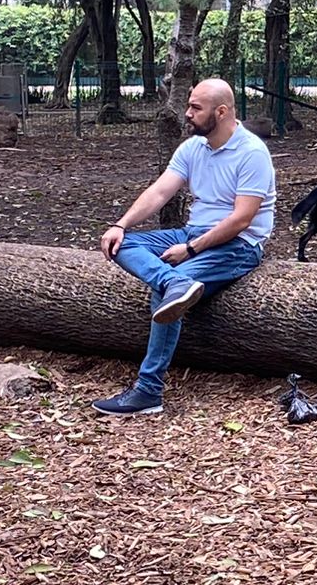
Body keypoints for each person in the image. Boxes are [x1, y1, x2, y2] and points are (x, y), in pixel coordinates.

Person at [93, 78, 277, 415]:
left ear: (221, 113)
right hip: (192, 232)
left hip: (238, 245)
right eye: (189, 105)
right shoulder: (193, 147)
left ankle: (148, 391)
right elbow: (160, 192)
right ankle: (173, 281)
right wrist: (121, 224)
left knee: (165, 298)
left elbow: (242, 220)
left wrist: (191, 251)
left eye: (196, 108)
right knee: (123, 244)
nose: (187, 113)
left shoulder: (252, 153)